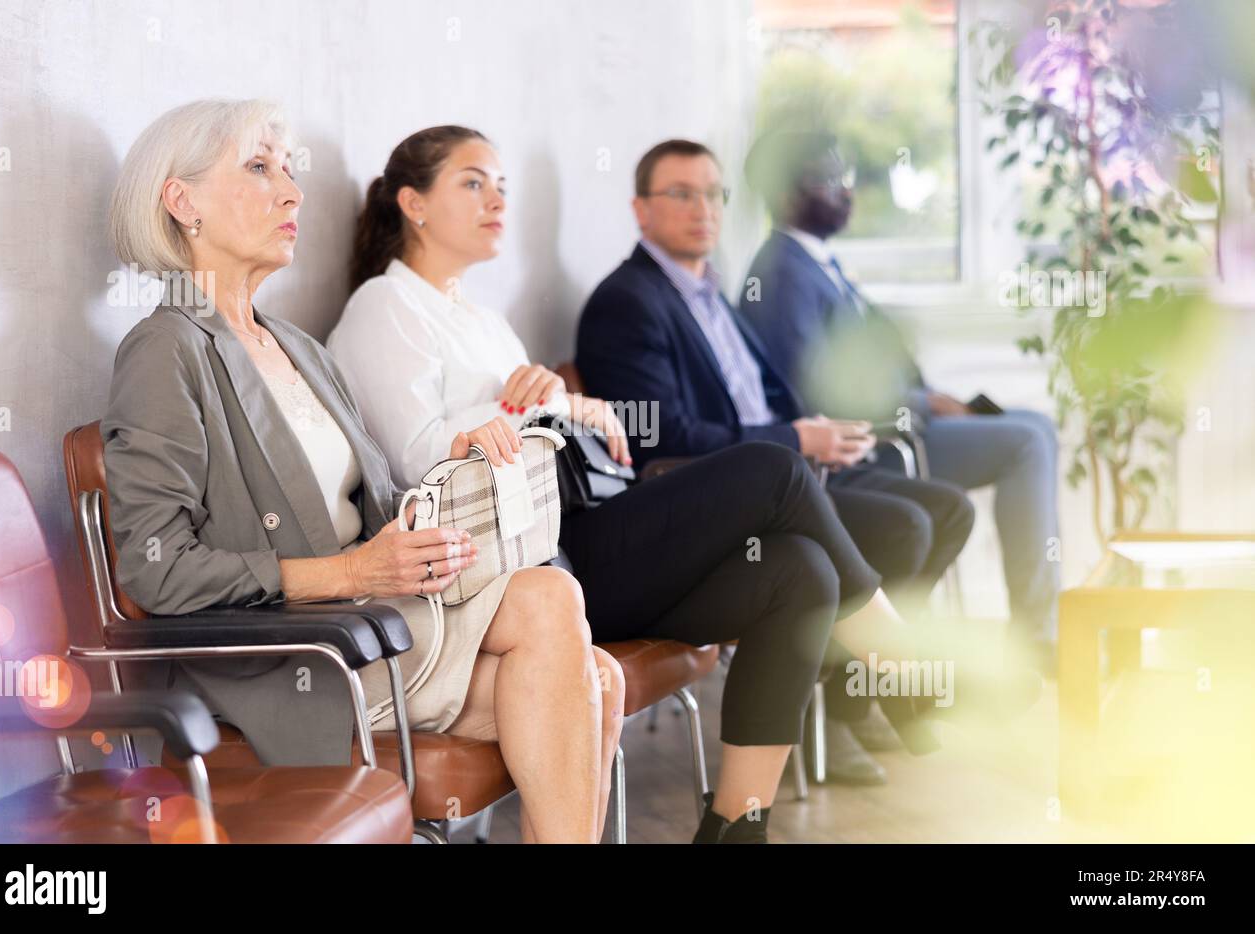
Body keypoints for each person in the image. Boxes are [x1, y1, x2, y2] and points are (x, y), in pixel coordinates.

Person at [328, 126, 966, 839]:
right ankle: (902, 668)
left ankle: (735, 827)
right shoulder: (383, 309)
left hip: (575, 527)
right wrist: (522, 407)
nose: (497, 201)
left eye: (503, 185)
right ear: (413, 204)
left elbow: (577, 442)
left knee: (800, 571)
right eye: (473, 184)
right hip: (525, 579)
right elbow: (414, 463)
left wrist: (576, 409)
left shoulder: (481, 318)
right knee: (776, 467)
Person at [102, 99, 619, 843]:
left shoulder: (296, 346)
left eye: (286, 168)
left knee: (599, 673)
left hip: (372, 623)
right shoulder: (164, 350)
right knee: (551, 602)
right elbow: (159, 572)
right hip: (290, 654)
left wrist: (450, 491)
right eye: (258, 167)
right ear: (181, 203)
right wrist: (351, 576)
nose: (292, 190)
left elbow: (377, 512)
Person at [576, 139, 979, 783]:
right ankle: (861, 701)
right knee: (900, 528)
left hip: (784, 478)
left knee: (946, 509)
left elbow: (768, 398)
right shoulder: (626, 302)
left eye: (713, 193)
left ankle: (862, 693)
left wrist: (819, 437)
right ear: (640, 210)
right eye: (681, 193)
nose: (702, 207)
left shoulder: (716, 296)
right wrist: (794, 440)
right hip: (715, 502)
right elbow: (658, 436)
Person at [739, 129, 1060, 669]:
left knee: (1038, 425)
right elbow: (819, 389)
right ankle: (1035, 636)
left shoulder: (820, 263)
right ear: (785, 191)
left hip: (909, 413)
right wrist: (923, 402)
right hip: (881, 437)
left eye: (846, 179)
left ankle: (1036, 626)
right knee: (1026, 442)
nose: (846, 192)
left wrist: (932, 393)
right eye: (828, 179)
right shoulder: (781, 274)